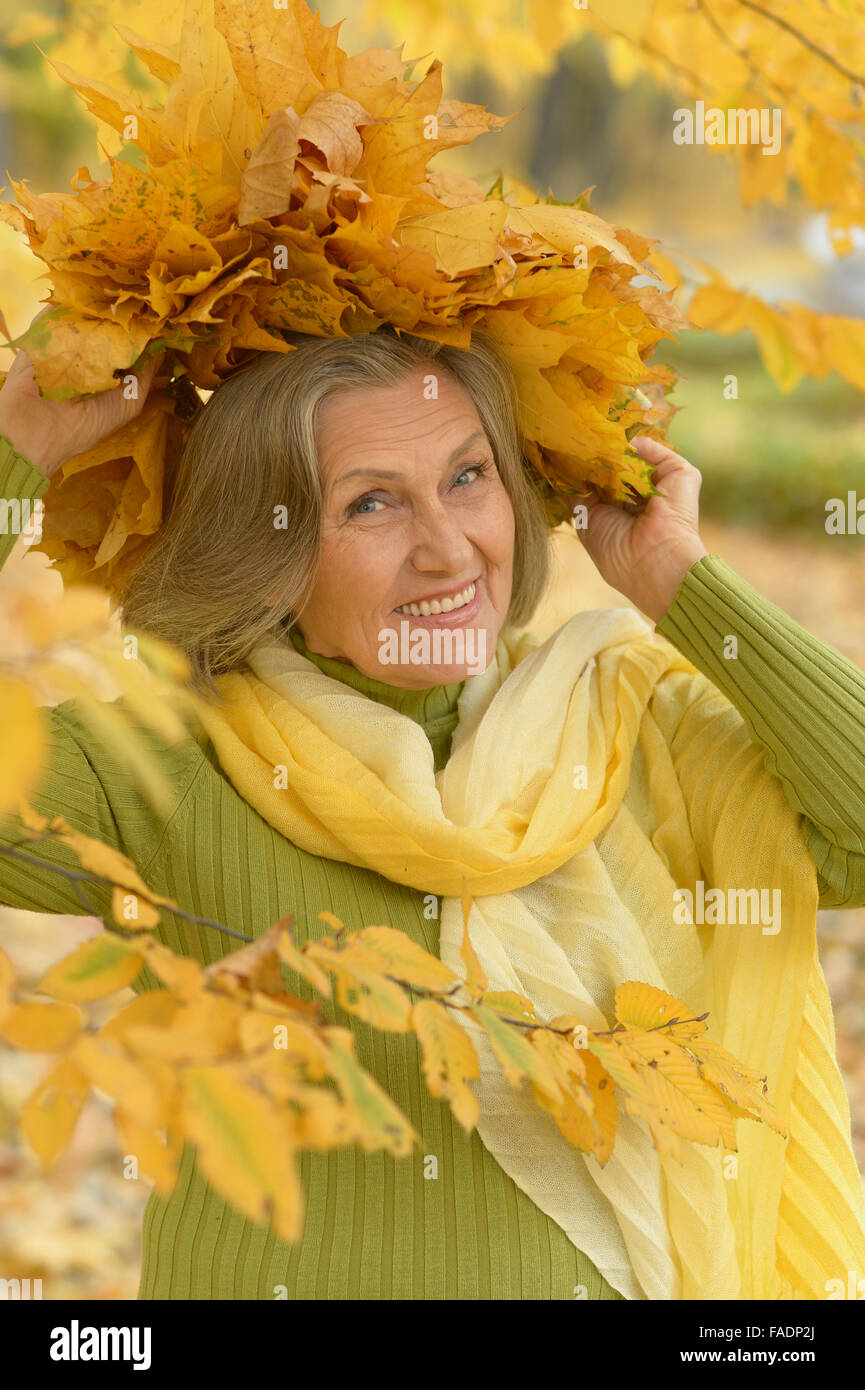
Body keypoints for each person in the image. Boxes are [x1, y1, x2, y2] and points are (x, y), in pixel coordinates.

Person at [0, 320, 863, 1300]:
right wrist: (17, 449)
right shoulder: (179, 765)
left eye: (466, 477)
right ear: (264, 550)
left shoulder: (632, 727)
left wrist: (680, 581)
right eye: (372, 503)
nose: (448, 550)